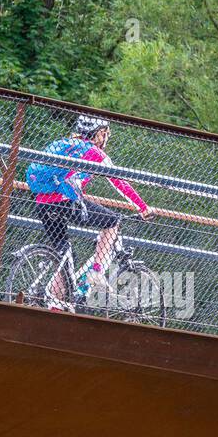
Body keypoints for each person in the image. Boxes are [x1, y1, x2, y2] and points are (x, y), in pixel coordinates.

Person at [26, 114, 154, 305]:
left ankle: (53, 304)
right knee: (113, 221)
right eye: (105, 134)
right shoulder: (95, 153)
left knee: (65, 256)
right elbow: (119, 182)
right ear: (99, 134)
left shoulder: (61, 144)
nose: (106, 138)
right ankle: (95, 274)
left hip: (42, 203)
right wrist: (142, 207)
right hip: (65, 202)